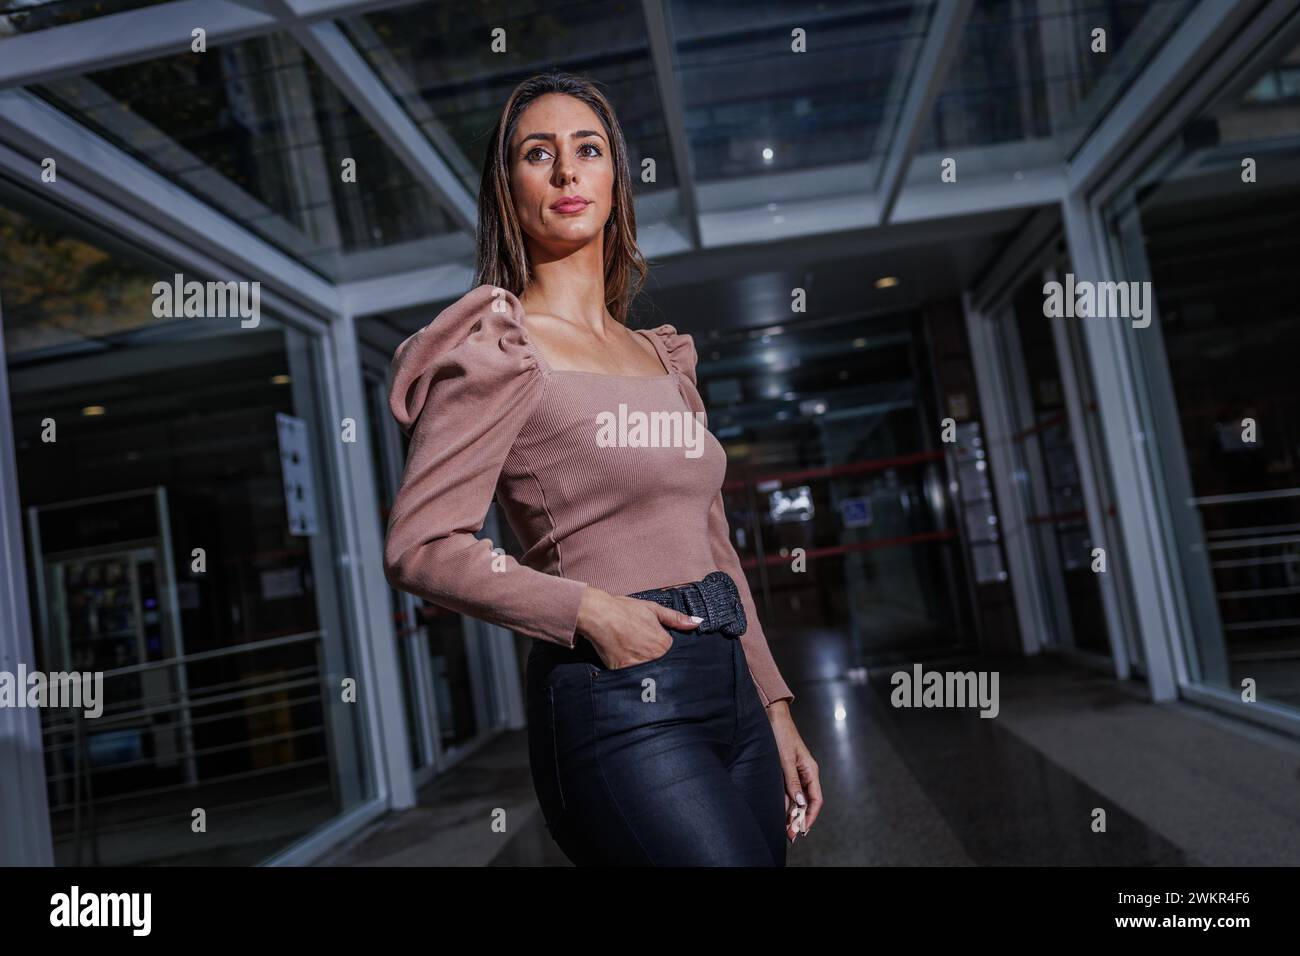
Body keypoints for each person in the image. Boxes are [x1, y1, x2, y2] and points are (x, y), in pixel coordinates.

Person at [384, 71, 821, 866]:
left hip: (731, 687)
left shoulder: (661, 355)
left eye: (587, 150)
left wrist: (776, 705)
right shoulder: (499, 347)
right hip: (619, 693)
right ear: (506, 188)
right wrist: (590, 611)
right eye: (536, 153)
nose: (565, 172)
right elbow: (421, 546)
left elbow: (713, 542)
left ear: (616, 178)